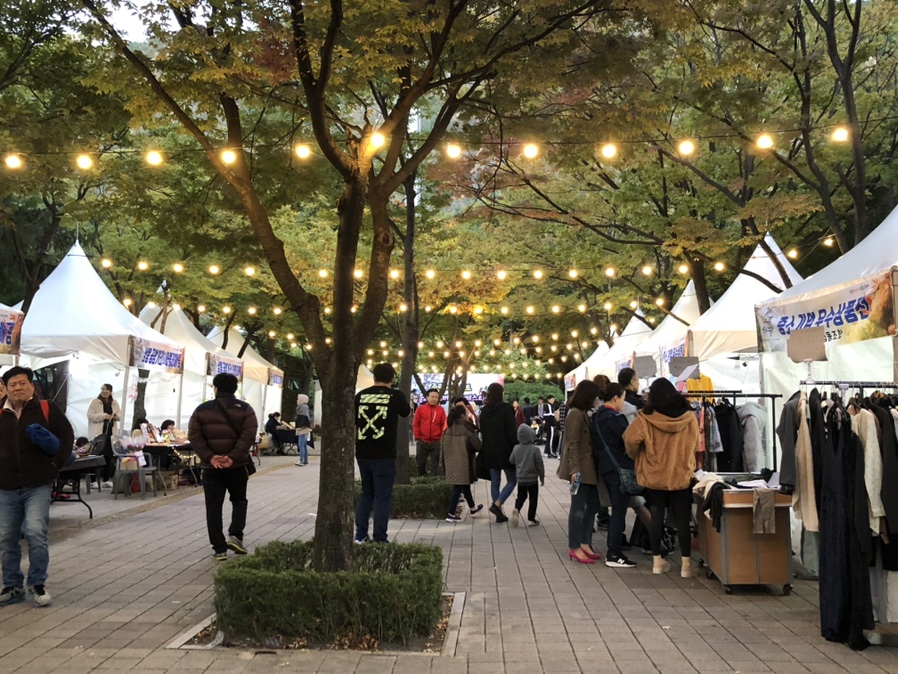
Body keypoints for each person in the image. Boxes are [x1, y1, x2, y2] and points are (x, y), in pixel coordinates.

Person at [0, 366, 74, 607]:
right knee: (6, 537)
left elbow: (67, 437)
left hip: (37, 485)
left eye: (22, 383)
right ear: (6, 389)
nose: (17, 388)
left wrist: (54, 466)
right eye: (12, 385)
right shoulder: (1, 412)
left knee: (35, 532)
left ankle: (37, 583)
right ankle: (12, 585)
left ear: (31, 386)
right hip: (6, 486)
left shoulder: (46, 408)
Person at [624, 378, 700, 577]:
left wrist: (638, 454)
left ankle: (657, 562)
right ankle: (685, 566)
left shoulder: (645, 417)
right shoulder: (689, 417)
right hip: (681, 474)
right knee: (683, 519)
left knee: (656, 517)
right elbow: (695, 443)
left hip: (655, 474)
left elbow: (630, 439)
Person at [188, 372, 258, 561]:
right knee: (239, 501)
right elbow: (249, 436)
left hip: (211, 469)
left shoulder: (201, 410)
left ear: (216, 388)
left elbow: (194, 436)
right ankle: (235, 535)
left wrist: (210, 457)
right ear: (235, 389)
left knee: (213, 507)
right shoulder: (245, 409)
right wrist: (232, 457)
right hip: (237, 466)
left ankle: (219, 549)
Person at [354, 363, 411, 543]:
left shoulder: (360, 396)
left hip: (363, 452)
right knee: (383, 497)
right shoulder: (396, 396)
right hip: (384, 453)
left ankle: (360, 535)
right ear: (392, 378)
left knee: (366, 493)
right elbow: (405, 412)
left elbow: (354, 422)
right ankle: (379, 537)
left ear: (374, 377)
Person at [557, 379, 603, 564]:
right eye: (595, 397)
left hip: (587, 467)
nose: (597, 400)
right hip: (580, 469)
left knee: (592, 505)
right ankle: (575, 545)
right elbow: (572, 443)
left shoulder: (582, 413)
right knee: (578, 508)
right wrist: (574, 469)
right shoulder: (575, 414)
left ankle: (584, 542)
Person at [594, 384, 638, 568]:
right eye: (623, 398)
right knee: (619, 511)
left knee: (617, 510)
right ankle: (614, 553)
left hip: (606, 467)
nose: (624, 402)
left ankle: (615, 550)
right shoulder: (614, 418)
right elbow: (629, 440)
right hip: (619, 468)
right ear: (615, 398)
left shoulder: (597, 416)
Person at [479, 382, 518, 523]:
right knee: (513, 480)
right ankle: (497, 505)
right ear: (501, 394)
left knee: (495, 482)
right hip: (506, 450)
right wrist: (516, 446)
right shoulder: (506, 409)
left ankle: (499, 514)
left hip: (489, 450)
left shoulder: (484, 411)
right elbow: (511, 431)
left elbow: (482, 431)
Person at [442, 406, 483, 522]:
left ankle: (473, 507)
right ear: (462, 416)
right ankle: (451, 513)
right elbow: (477, 446)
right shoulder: (467, 429)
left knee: (464, 484)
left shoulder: (448, 429)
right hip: (464, 461)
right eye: (466, 413)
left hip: (451, 461)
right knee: (458, 486)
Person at [509, 424, 545, 527]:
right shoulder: (535, 449)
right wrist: (541, 476)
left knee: (521, 496)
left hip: (521, 479)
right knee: (533, 498)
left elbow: (511, 460)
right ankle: (531, 519)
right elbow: (539, 464)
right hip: (532, 479)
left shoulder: (516, 448)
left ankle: (517, 508)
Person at [87, 383, 120, 488]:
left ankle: (106, 479)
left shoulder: (114, 403)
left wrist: (115, 416)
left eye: (106, 390)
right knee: (96, 456)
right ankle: (93, 480)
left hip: (110, 432)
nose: (104, 391)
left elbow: (120, 415)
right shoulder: (95, 402)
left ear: (110, 391)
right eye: (102, 389)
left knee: (108, 456)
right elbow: (90, 416)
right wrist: (103, 416)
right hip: (99, 433)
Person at [413, 388, 447, 477]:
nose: (434, 399)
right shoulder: (420, 409)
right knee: (421, 463)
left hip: (435, 441)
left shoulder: (441, 410)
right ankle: (422, 479)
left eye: (436, 397)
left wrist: (440, 437)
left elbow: (443, 425)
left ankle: (433, 480)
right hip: (422, 441)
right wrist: (418, 436)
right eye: (432, 397)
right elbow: (416, 423)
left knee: (434, 464)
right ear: (427, 397)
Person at [294, 394, 312, 466]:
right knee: (303, 445)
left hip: (302, 428)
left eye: (298, 399)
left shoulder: (303, 408)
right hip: (303, 428)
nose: (297, 400)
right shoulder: (304, 407)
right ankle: (305, 460)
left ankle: (302, 460)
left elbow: (304, 419)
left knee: (301, 445)